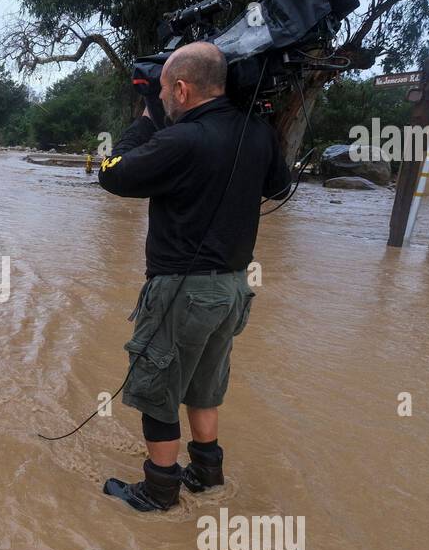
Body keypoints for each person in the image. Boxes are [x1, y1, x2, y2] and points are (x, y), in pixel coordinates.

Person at [96, 42, 291, 512]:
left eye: (163, 91)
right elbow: (280, 186)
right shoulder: (257, 132)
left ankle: (159, 490)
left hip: (182, 290)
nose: (162, 100)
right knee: (205, 385)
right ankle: (206, 474)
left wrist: (145, 118)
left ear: (181, 89)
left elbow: (112, 173)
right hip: (231, 289)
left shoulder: (180, 140)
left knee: (157, 390)